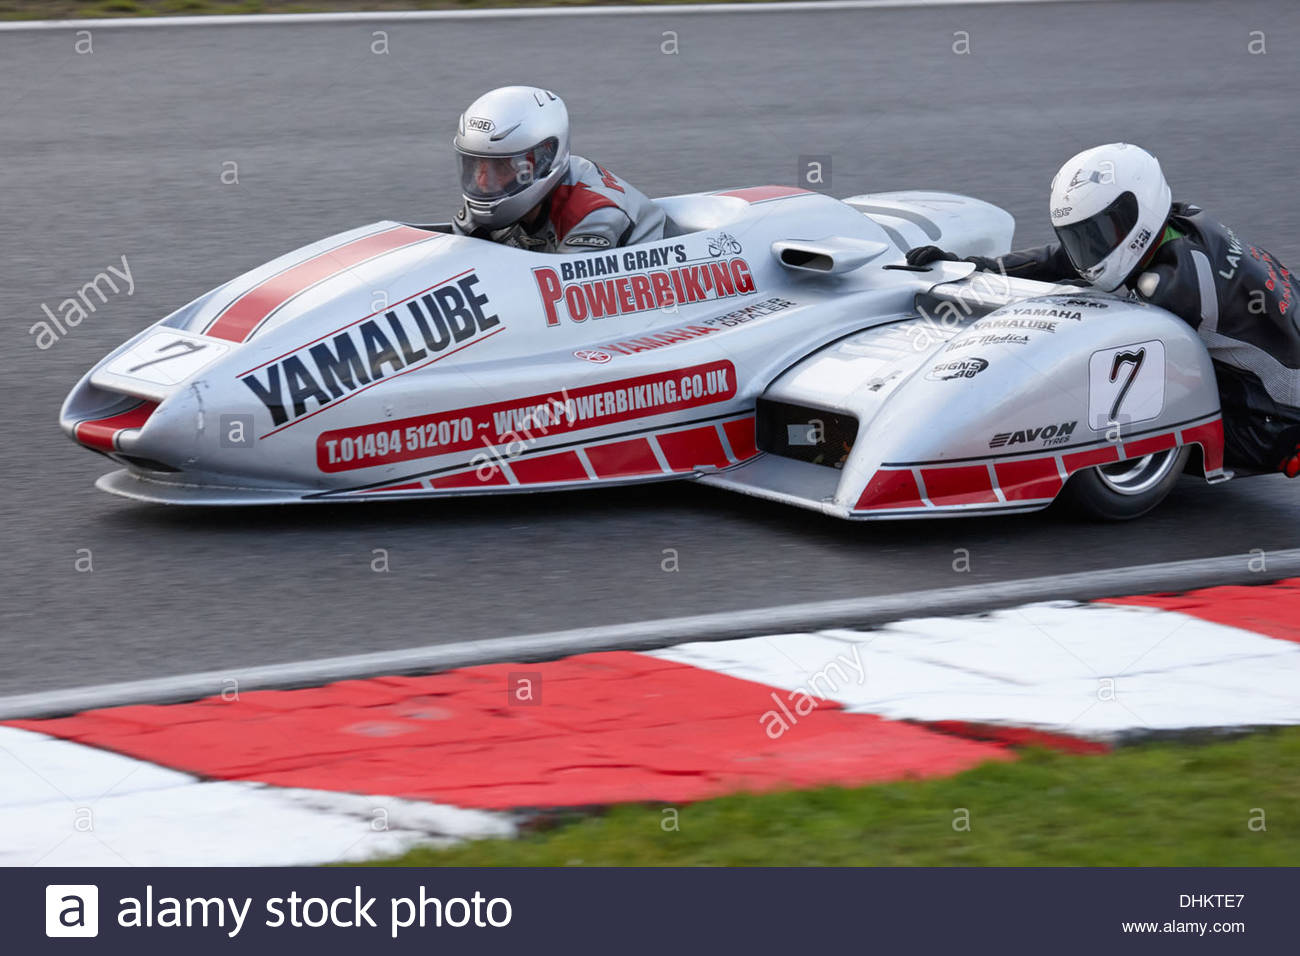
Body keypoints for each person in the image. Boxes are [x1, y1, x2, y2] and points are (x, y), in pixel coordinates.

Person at [906, 143, 1300, 477]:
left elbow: (1084, 329)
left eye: (1101, 232)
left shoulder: (1173, 283)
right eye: (1082, 236)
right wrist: (975, 266)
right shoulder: (1182, 220)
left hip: (1272, 423)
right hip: (1270, 371)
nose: (1090, 250)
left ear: (1137, 210)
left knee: (1095, 385)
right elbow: (1059, 260)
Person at [450, 86, 665, 254]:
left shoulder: (592, 214)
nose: (484, 181)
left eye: (500, 167)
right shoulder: (490, 199)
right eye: (476, 165)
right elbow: (454, 254)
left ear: (542, 162)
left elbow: (562, 295)